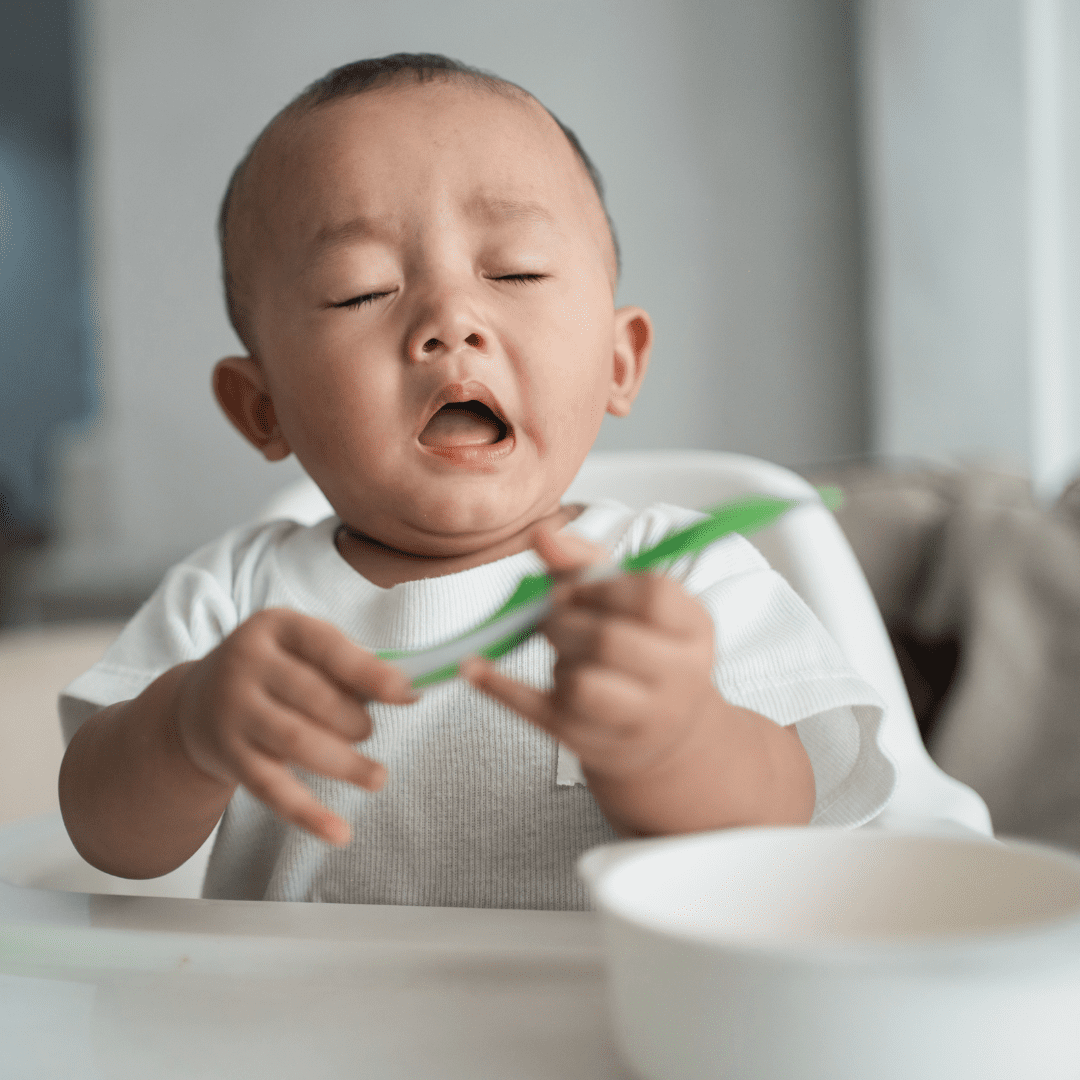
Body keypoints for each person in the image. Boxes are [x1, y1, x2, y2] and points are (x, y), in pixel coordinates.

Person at [57, 54, 896, 909]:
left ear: (619, 360)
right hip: (297, 1033)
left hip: (594, 1028)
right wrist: (189, 728)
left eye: (516, 271)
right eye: (361, 290)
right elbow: (106, 836)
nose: (450, 321)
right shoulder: (236, 597)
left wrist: (675, 738)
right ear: (261, 405)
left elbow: (785, 828)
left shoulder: (672, 582)